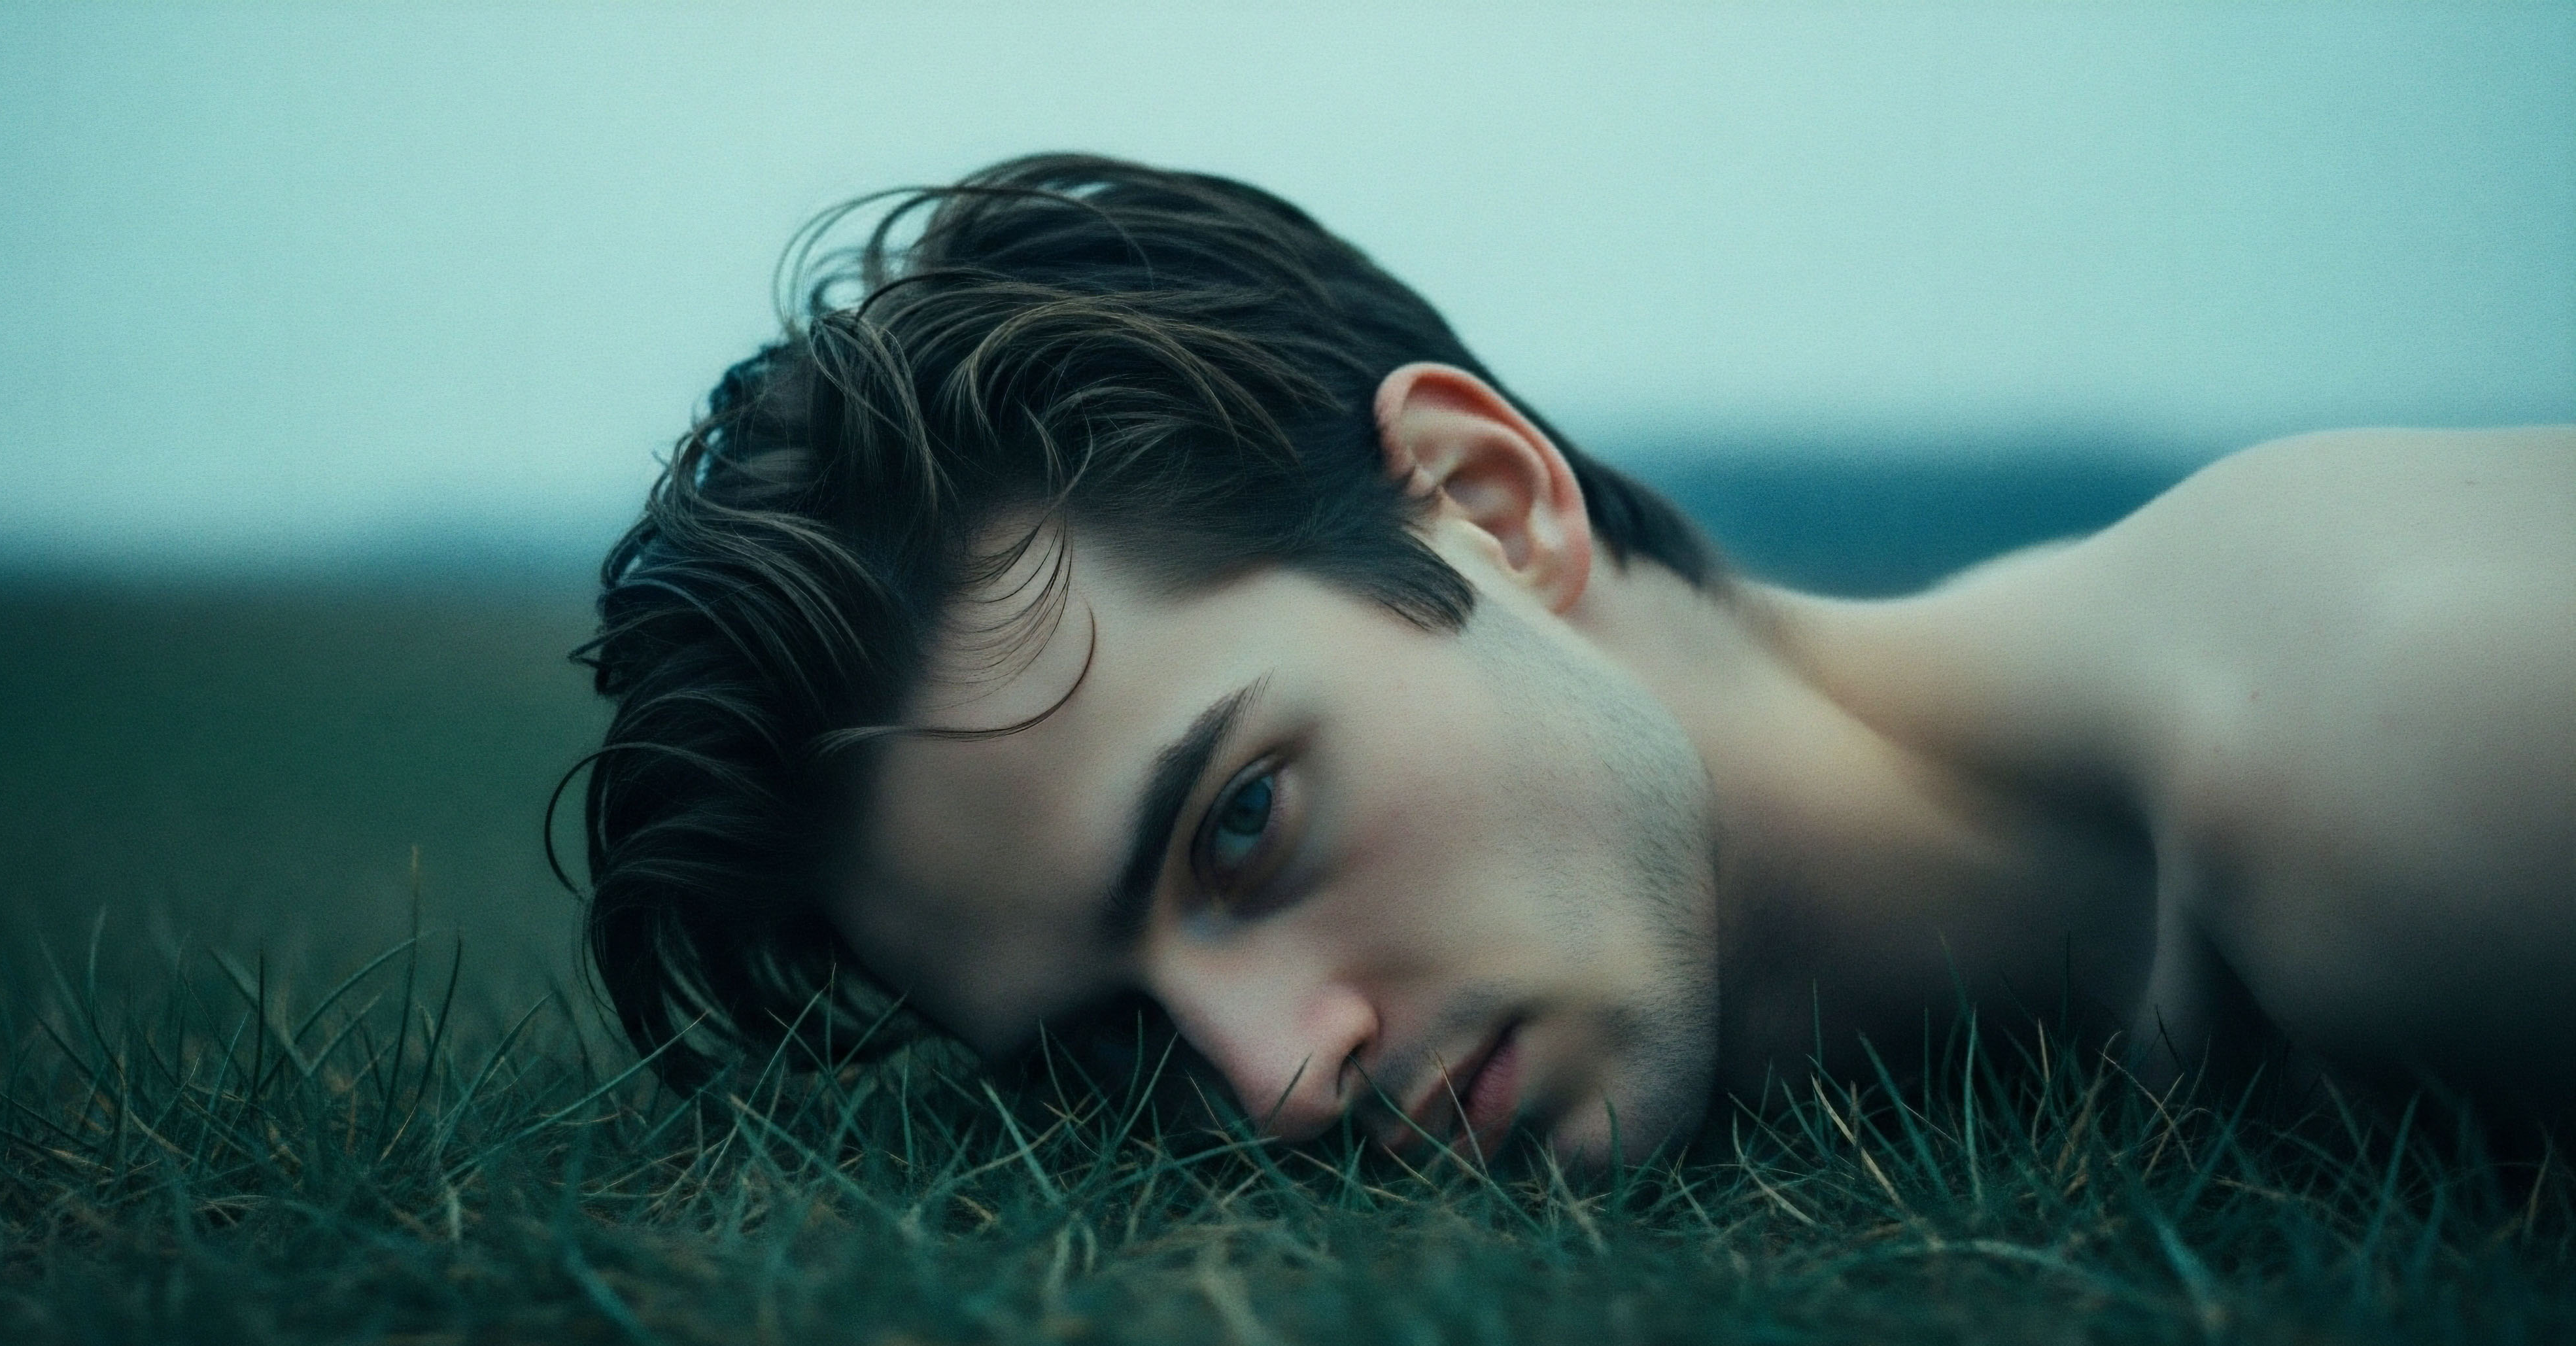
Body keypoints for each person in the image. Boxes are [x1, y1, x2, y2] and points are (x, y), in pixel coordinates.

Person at [573, 154, 2574, 1165]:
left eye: (1245, 821)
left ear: (1485, 502)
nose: (1274, 1085)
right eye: (1118, 1042)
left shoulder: (2393, 753)